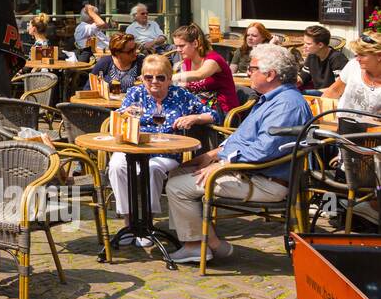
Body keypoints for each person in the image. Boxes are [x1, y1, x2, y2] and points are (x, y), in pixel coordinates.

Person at [164, 44, 311, 265]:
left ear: (270, 74)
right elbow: (245, 139)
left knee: (177, 187)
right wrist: (212, 154)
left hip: (264, 181)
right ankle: (202, 241)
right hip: (250, 173)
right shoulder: (271, 98)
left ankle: (199, 246)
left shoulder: (287, 105)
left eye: (252, 68)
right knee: (177, 173)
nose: (248, 72)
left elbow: (265, 149)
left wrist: (223, 163)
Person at [110, 54, 220, 240]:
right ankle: (129, 222)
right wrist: (125, 114)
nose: (154, 81)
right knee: (116, 166)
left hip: (167, 151)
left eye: (160, 77)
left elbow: (214, 115)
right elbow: (119, 116)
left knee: (152, 169)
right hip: (134, 147)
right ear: (142, 78)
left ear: (169, 79)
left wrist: (195, 117)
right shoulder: (135, 93)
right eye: (148, 77)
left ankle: (147, 223)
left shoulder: (181, 95)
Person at [172, 22, 239, 116]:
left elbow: (199, 74)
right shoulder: (188, 60)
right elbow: (184, 85)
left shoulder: (213, 60)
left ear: (195, 43)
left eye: (182, 46)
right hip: (200, 109)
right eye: (176, 46)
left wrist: (170, 77)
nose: (178, 50)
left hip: (223, 112)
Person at [318, 34, 381, 128]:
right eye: (357, 54)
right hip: (339, 127)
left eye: (362, 55)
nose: (357, 59)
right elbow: (334, 91)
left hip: (369, 136)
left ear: (379, 56)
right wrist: (320, 116)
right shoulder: (353, 66)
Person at [298, 25, 350, 94]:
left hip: (334, 99)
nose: (304, 46)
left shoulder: (337, 58)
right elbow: (303, 78)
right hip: (320, 96)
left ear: (320, 45)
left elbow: (340, 88)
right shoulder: (312, 56)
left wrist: (311, 92)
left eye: (308, 44)